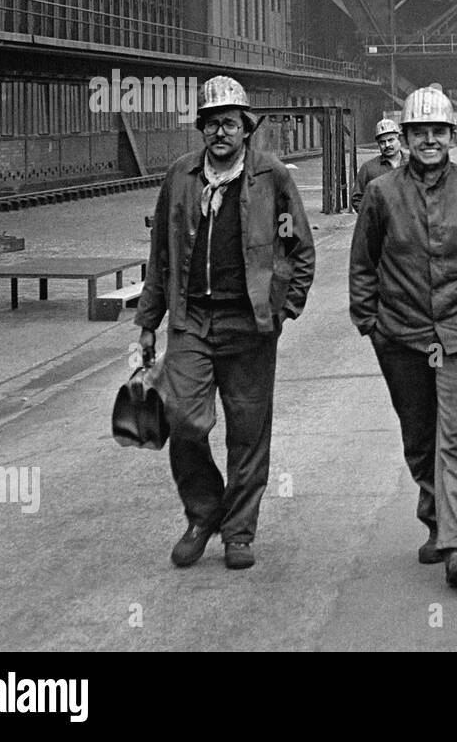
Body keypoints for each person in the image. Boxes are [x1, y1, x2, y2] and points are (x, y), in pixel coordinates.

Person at [136, 75, 315, 571]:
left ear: (246, 127)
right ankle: (203, 511)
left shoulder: (272, 177)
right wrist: (149, 319)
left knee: (247, 430)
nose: (221, 132)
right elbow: (161, 252)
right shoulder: (180, 176)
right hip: (191, 319)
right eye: (212, 124)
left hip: (250, 322)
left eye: (230, 123)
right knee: (183, 419)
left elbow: (299, 246)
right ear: (201, 130)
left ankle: (238, 531)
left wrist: (286, 306)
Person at [350, 86, 457, 587]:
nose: (429, 140)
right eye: (419, 132)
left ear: (452, 135)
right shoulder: (383, 194)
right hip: (402, 338)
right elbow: (362, 264)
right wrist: (371, 323)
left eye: (438, 132)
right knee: (420, 436)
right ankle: (435, 514)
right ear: (404, 138)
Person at [350, 117, 405, 212]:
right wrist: (372, 218)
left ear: (399, 139)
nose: (387, 145)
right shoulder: (368, 168)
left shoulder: (414, 164)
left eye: (390, 140)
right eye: (382, 142)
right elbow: (357, 199)